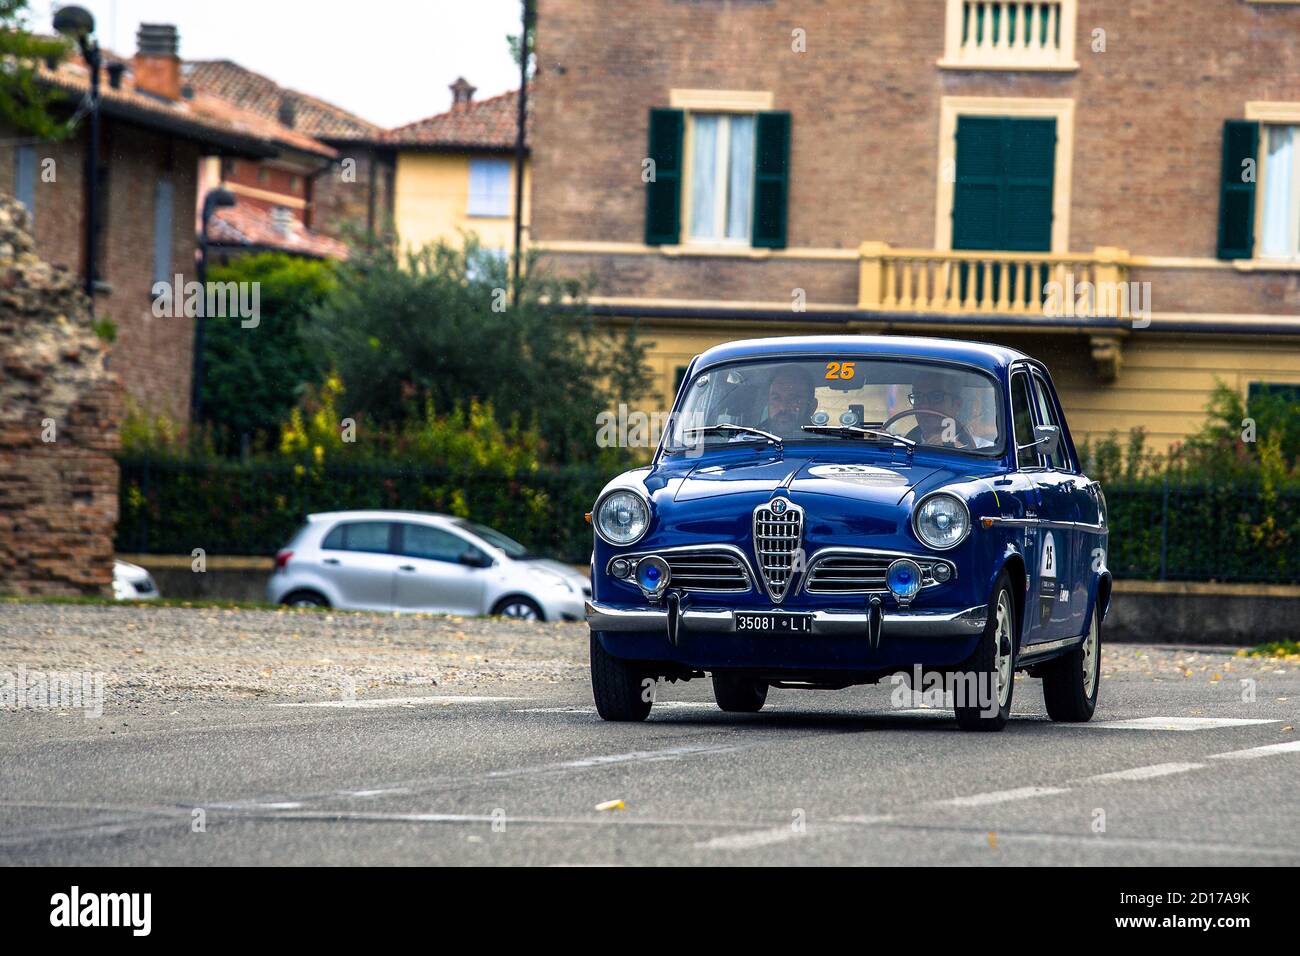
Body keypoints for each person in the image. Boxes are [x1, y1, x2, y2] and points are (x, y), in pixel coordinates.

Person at [902, 369, 993, 449]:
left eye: (936, 397)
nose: (924, 406)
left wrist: (961, 451)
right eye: (918, 397)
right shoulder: (899, 447)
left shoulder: (984, 451)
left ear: (956, 404)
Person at [758, 365, 817, 438]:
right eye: (776, 398)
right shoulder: (749, 439)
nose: (783, 407)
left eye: (794, 400)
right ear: (767, 402)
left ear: (812, 407)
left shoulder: (825, 443)